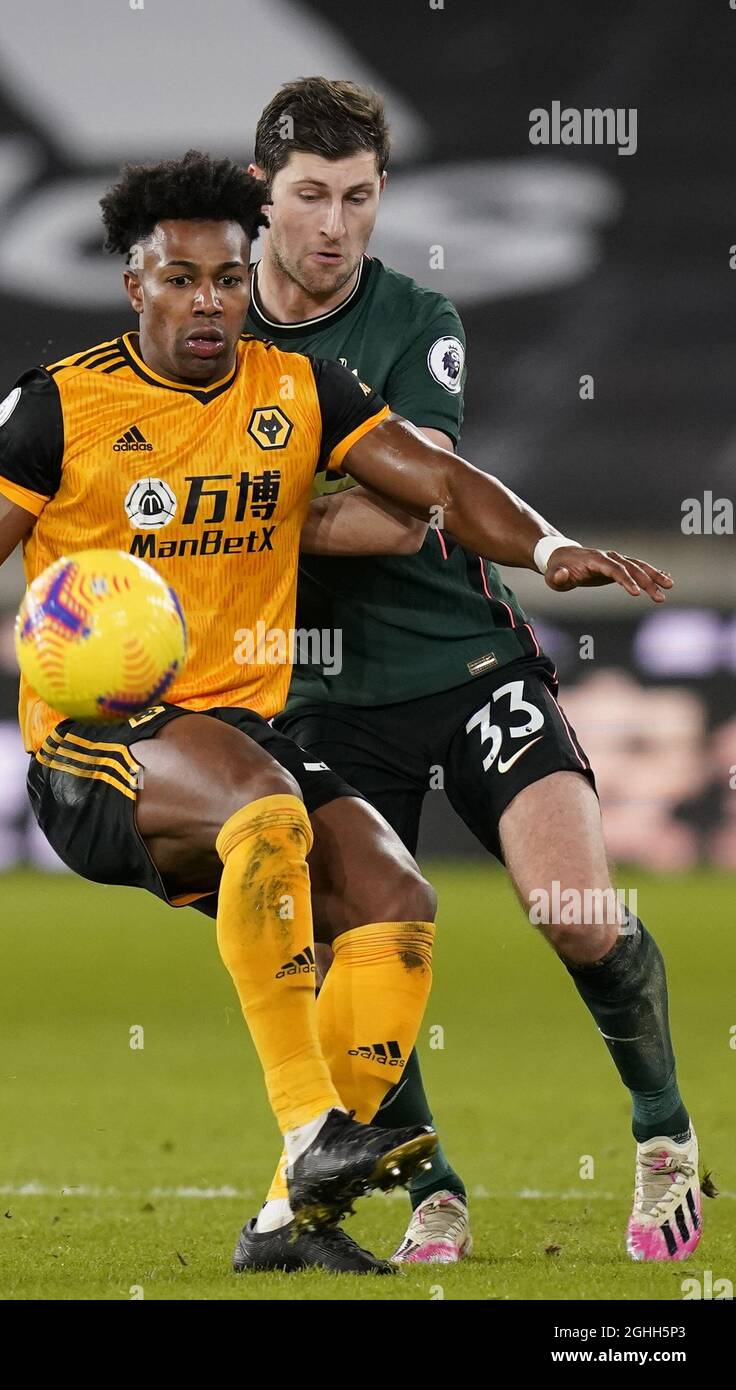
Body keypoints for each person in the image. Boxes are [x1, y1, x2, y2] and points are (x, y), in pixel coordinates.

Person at [0, 152, 673, 1271]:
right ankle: (313, 1128)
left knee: (394, 896)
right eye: (176, 279)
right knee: (266, 808)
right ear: (133, 287)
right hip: (95, 750)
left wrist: (546, 547)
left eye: (224, 276)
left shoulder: (297, 391)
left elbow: (438, 487)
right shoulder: (56, 407)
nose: (205, 300)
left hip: (236, 741)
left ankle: (282, 1222)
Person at [234, 78, 702, 1271]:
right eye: (307, 197)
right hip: (320, 699)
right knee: (361, 956)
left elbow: (407, 513)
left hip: (469, 660)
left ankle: (662, 1134)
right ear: (260, 194)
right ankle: (428, 1183)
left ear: (381, 195)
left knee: (575, 909)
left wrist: (232, 508)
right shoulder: (212, 336)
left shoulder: (413, 316)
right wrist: (312, 499)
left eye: (356, 197)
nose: (332, 227)